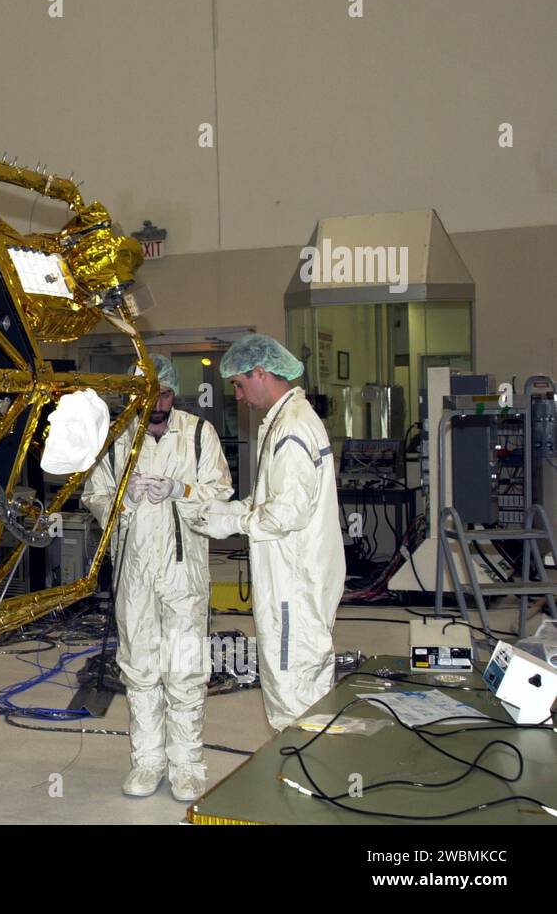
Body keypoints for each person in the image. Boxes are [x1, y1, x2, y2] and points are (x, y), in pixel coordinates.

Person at [83, 354, 232, 801]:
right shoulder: (117, 440)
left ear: (173, 393)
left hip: (184, 573)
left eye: (164, 394)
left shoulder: (200, 435)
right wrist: (122, 498)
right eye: (149, 397)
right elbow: (94, 496)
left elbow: (220, 495)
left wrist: (180, 491)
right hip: (133, 572)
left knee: (185, 667)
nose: (158, 405)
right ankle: (147, 760)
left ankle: (187, 764)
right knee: (140, 667)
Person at [192, 334, 344, 732]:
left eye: (240, 385)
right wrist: (230, 510)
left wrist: (235, 523)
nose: (239, 397)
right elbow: (270, 498)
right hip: (295, 578)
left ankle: (303, 777)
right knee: (295, 683)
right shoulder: (285, 421)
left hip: (294, 584)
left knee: (295, 693)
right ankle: (301, 771)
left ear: (261, 372)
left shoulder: (291, 430)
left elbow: (286, 513)